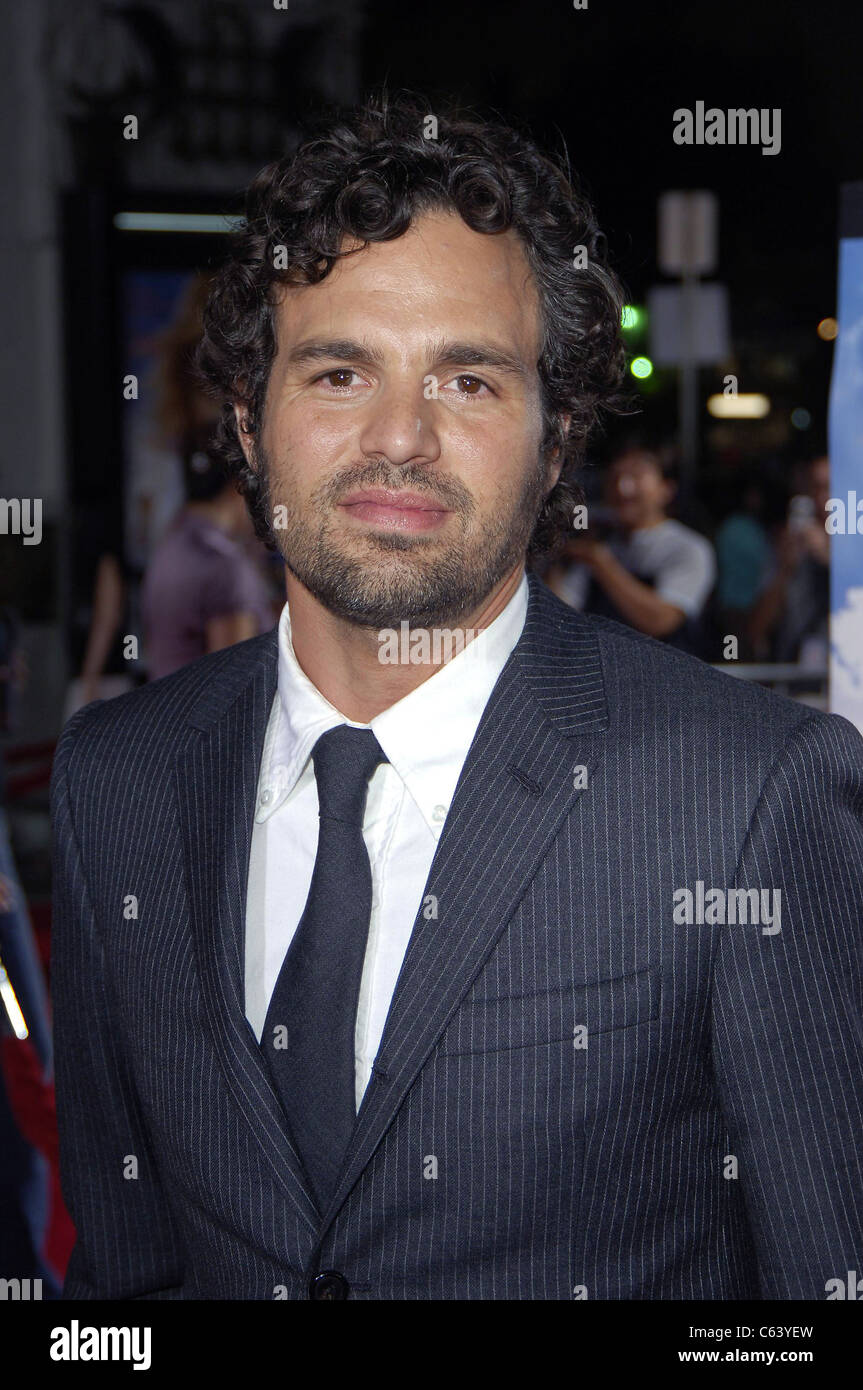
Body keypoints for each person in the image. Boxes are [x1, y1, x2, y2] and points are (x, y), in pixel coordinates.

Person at [50, 89, 862, 1301]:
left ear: (553, 439)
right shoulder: (115, 777)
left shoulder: (749, 794)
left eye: (467, 381)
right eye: (336, 371)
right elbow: (126, 1279)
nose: (399, 437)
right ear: (246, 421)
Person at [546, 442, 716, 655]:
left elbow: (661, 621)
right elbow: (561, 615)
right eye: (615, 477)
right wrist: (556, 553)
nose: (623, 488)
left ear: (666, 489)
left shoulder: (689, 548)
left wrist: (601, 563)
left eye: (636, 476)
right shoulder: (598, 542)